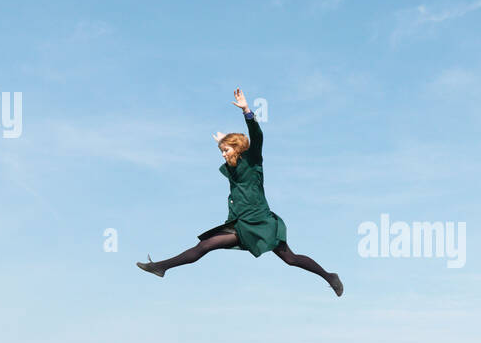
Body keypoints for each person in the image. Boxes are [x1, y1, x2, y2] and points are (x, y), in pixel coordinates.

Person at [137, 89, 343, 296]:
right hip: (241, 223)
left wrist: (246, 110)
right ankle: (161, 267)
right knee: (205, 246)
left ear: (238, 148)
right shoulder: (233, 167)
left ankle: (329, 276)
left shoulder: (253, 162)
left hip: (261, 223)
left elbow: (257, 135)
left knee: (290, 259)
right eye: (221, 152)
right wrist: (223, 141)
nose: (224, 155)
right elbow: (232, 162)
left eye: (226, 150)